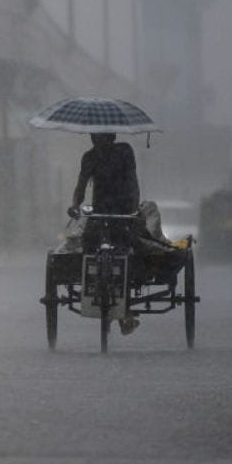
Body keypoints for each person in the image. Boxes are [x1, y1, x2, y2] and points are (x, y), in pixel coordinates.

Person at [67, 132, 143, 335]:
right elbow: (81, 187)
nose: (99, 140)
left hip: (123, 213)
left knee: (126, 255)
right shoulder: (89, 157)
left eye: (102, 136)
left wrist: (134, 210)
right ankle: (95, 288)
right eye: (96, 136)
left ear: (112, 136)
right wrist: (75, 205)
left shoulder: (124, 152)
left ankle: (125, 312)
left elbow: (133, 183)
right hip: (99, 214)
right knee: (89, 246)